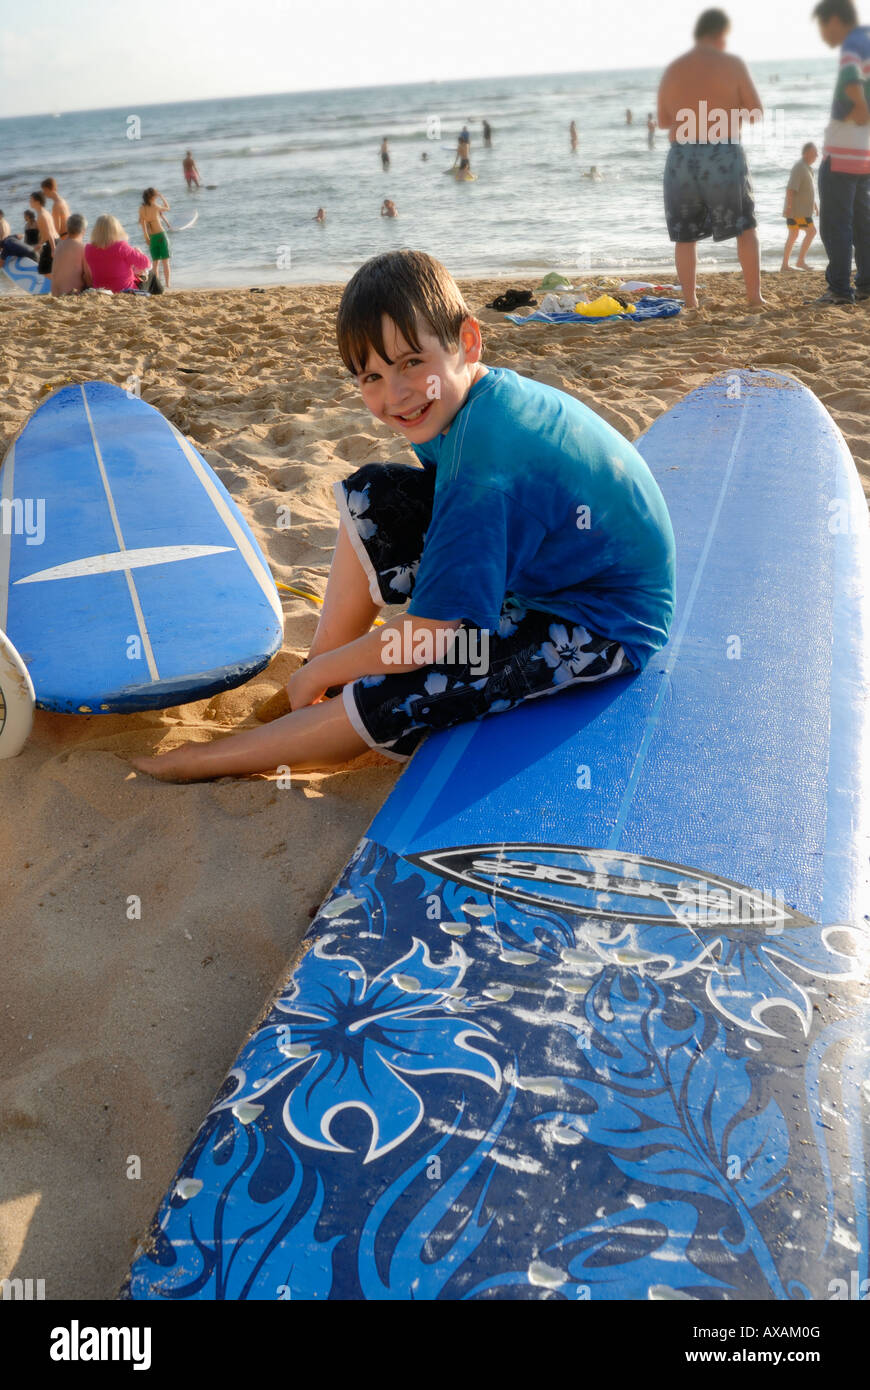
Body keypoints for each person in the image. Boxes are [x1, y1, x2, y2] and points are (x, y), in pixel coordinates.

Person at [131, 248, 676, 783]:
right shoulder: (460, 404)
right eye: (370, 377)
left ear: (466, 340)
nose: (395, 395)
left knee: (409, 683)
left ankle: (215, 757)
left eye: (412, 363)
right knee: (372, 495)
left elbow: (433, 635)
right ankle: (310, 690)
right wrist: (328, 665)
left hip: (603, 623)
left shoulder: (484, 463)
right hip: (548, 564)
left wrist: (336, 668)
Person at [658, 8, 764, 309]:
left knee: (684, 234)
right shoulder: (731, 64)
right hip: (722, 153)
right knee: (744, 227)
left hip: (681, 157)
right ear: (720, 35)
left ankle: (690, 301)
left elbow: (665, 120)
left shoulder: (674, 68)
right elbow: (755, 111)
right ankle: (754, 297)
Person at [813, 0, 870, 304]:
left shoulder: (852, 43)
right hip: (864, 153)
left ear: (835, 19)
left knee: (836, 223)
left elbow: (850, 78)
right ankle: (865, 285)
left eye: (823, 26)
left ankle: (838, 290)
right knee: (862, 223)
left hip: (842, 152)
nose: (823, 34)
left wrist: (860, 107)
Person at [84, 215, 150, 292]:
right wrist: (139, 252)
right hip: (125, 290)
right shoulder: (120, 246)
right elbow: (146, 263)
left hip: (101, 290)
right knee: (151, 275)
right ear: (116, 229)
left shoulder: (88, 249)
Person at [781, 143, 819, 270]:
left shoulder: (808, 168)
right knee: (812, 232)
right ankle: (800, 261)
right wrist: (789, 207)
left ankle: (785, 265)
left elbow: (807, 189)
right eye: (814, 153)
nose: (817, 156)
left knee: (793, 235)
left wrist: (814, 205)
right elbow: (790, 189)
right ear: (806, 153)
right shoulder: (799, 168)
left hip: (801, 210)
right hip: (798, 212)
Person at [50, 213, 91, 294]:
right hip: (71, 293)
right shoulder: (81, 247)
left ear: (67, 229)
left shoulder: (59, 245)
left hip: (55, 293)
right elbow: (88, 276)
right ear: (83, 231)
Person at [139, 188, 171, 289]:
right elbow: (167, 207)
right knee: (165, 262)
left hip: (152, 237)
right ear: (152, 197)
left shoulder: (142, 209)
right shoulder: (155, 206)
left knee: (155, 263)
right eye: (156, 196)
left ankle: (158, 286)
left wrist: (146, 237)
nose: (157, 197)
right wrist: (162, 197)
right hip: (161, 235)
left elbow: (143, 224)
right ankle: (167, 284)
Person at [29, 190, 57, 278]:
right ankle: (60, 286)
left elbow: (49, 232)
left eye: (31, 200)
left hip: (52, 243)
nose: (29, 202)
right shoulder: (44, 212)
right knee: (48, 269)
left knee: (44, 270)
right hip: (54, 241)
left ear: (37, 202)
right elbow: (46, 233)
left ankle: (61, 285)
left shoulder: (42, 215)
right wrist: (40, 244)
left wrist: (53, 249)